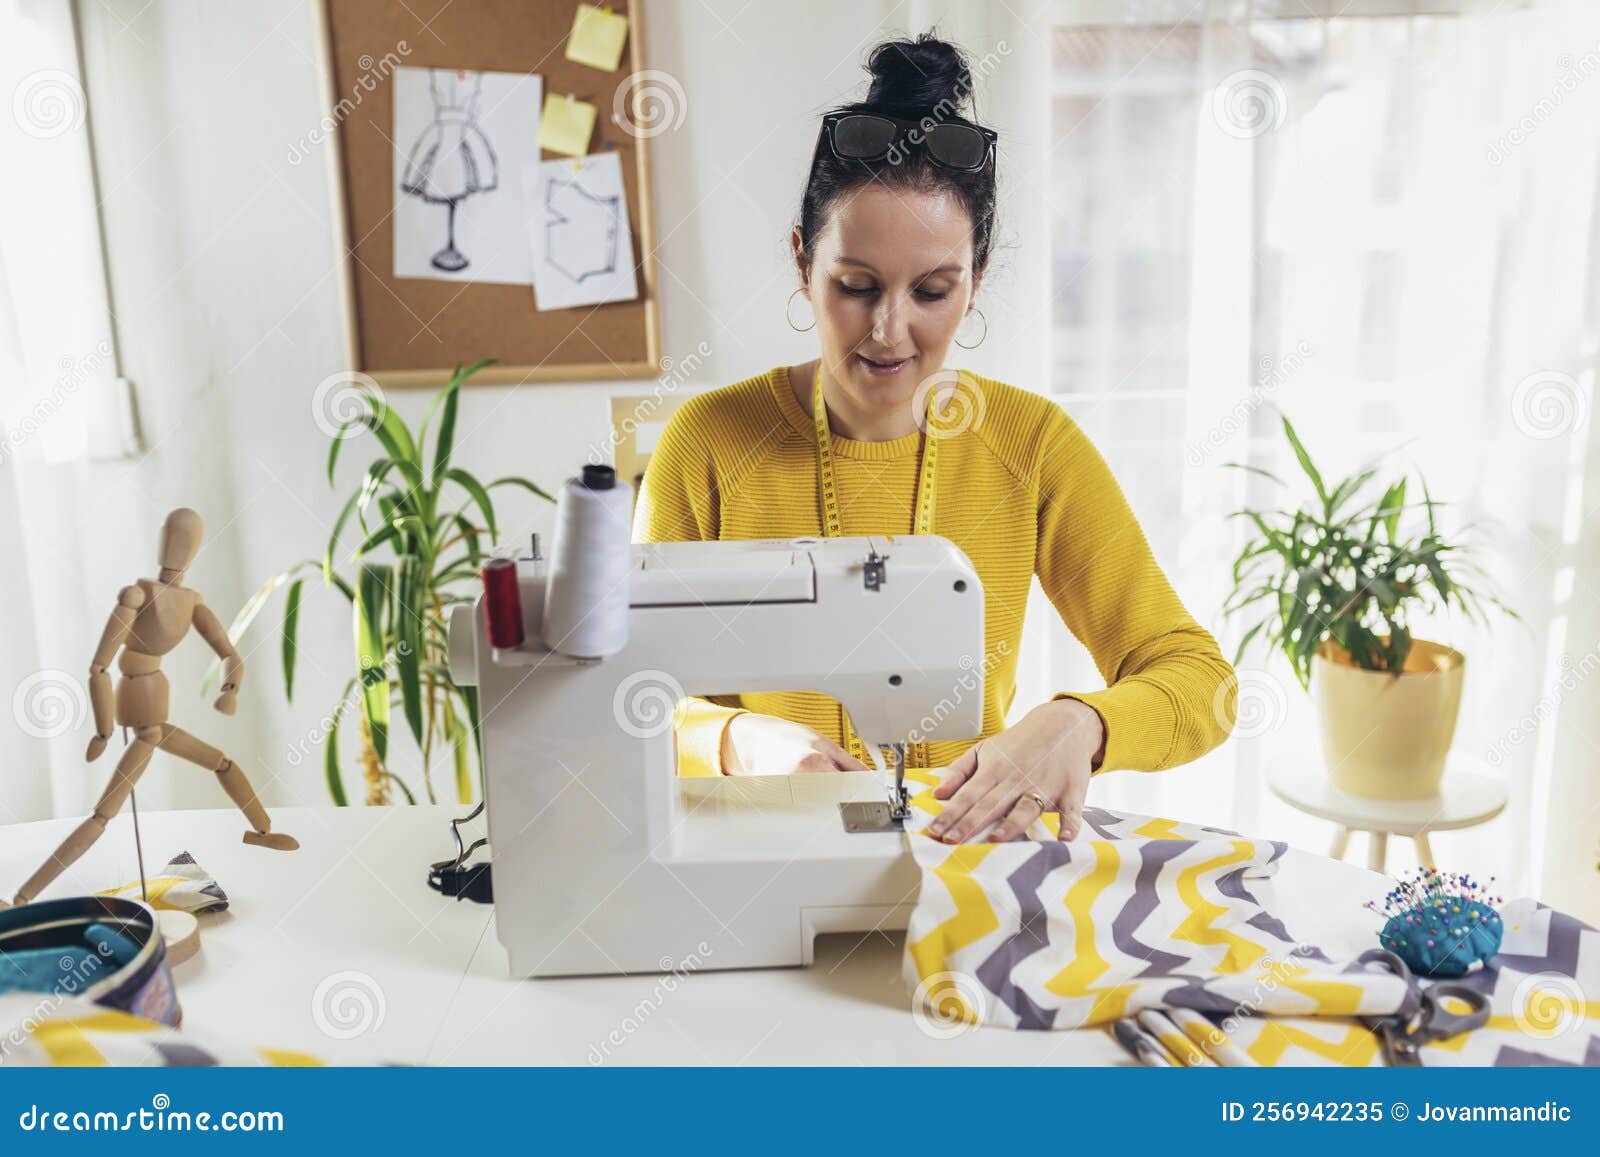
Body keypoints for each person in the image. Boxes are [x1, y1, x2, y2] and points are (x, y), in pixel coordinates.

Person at [633, 32, 1236, 846]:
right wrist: (740, 741)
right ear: (801, 262)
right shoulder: (706, 445)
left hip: (967, 864)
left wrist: (1076, 722)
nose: (889, 329)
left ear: (975, 283)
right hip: (768, 856)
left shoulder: (1034, 446)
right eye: (856, 286)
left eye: (933, 290)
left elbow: (1202, 683)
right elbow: (633, 690)